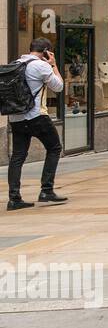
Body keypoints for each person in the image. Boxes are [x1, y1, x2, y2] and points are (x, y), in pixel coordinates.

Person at [6, 38, 67, 210]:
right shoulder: (41, 66)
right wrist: (53, 64)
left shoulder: (15, 64)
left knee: (17, 156)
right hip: (36, 116)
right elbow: (59, 86)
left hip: (16, 118)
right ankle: (46, 190)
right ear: (47, 52)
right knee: (54, 148)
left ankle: (14, 198)